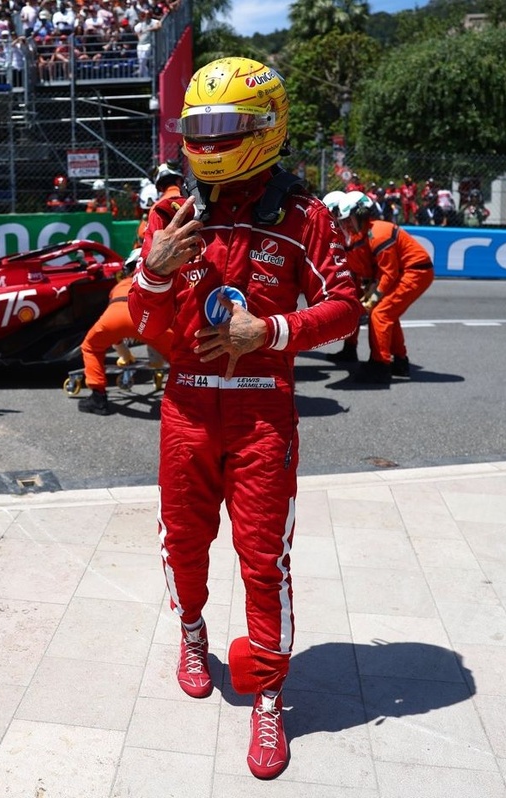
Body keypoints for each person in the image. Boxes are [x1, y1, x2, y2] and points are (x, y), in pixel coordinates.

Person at [128, 56, 361, 780]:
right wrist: (154, 269)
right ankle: (192, 633)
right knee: (183, 540)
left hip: (263, 417)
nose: (208, 141)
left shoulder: (305, 216)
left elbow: (348, 305)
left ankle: (268, 699)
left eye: (225, 127)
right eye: (198, 128)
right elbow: (140, 318)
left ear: (266, 127)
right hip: (186, 410)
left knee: (265, 563)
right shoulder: (170, 214)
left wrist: (275, 332)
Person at [77, 250, 174, 415]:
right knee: (179, 357)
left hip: (115, 315)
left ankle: (98, 398)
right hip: (148, 318)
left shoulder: (119, 285)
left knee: (90, 347)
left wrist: (125, 355)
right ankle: (185, 397)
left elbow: (115, 330)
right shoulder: (162, 281)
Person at [350, 211, 435, 384]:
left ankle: (380, 365)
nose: (345, 225)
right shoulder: (366, 233)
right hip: (408, 271)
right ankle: (400, 362)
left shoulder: (378, 233)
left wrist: (373, 298)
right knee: (389, 314)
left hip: (414, 272)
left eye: (347, 220)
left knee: (380, 314)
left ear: (358, 216)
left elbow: (388, 273)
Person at [324, 190, 379, 363]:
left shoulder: (357, 231)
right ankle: (350, 349)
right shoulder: (346, 230)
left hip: (365, 277)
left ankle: (384, 360)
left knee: (377, 315)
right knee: (353, 311)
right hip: (355, 275)